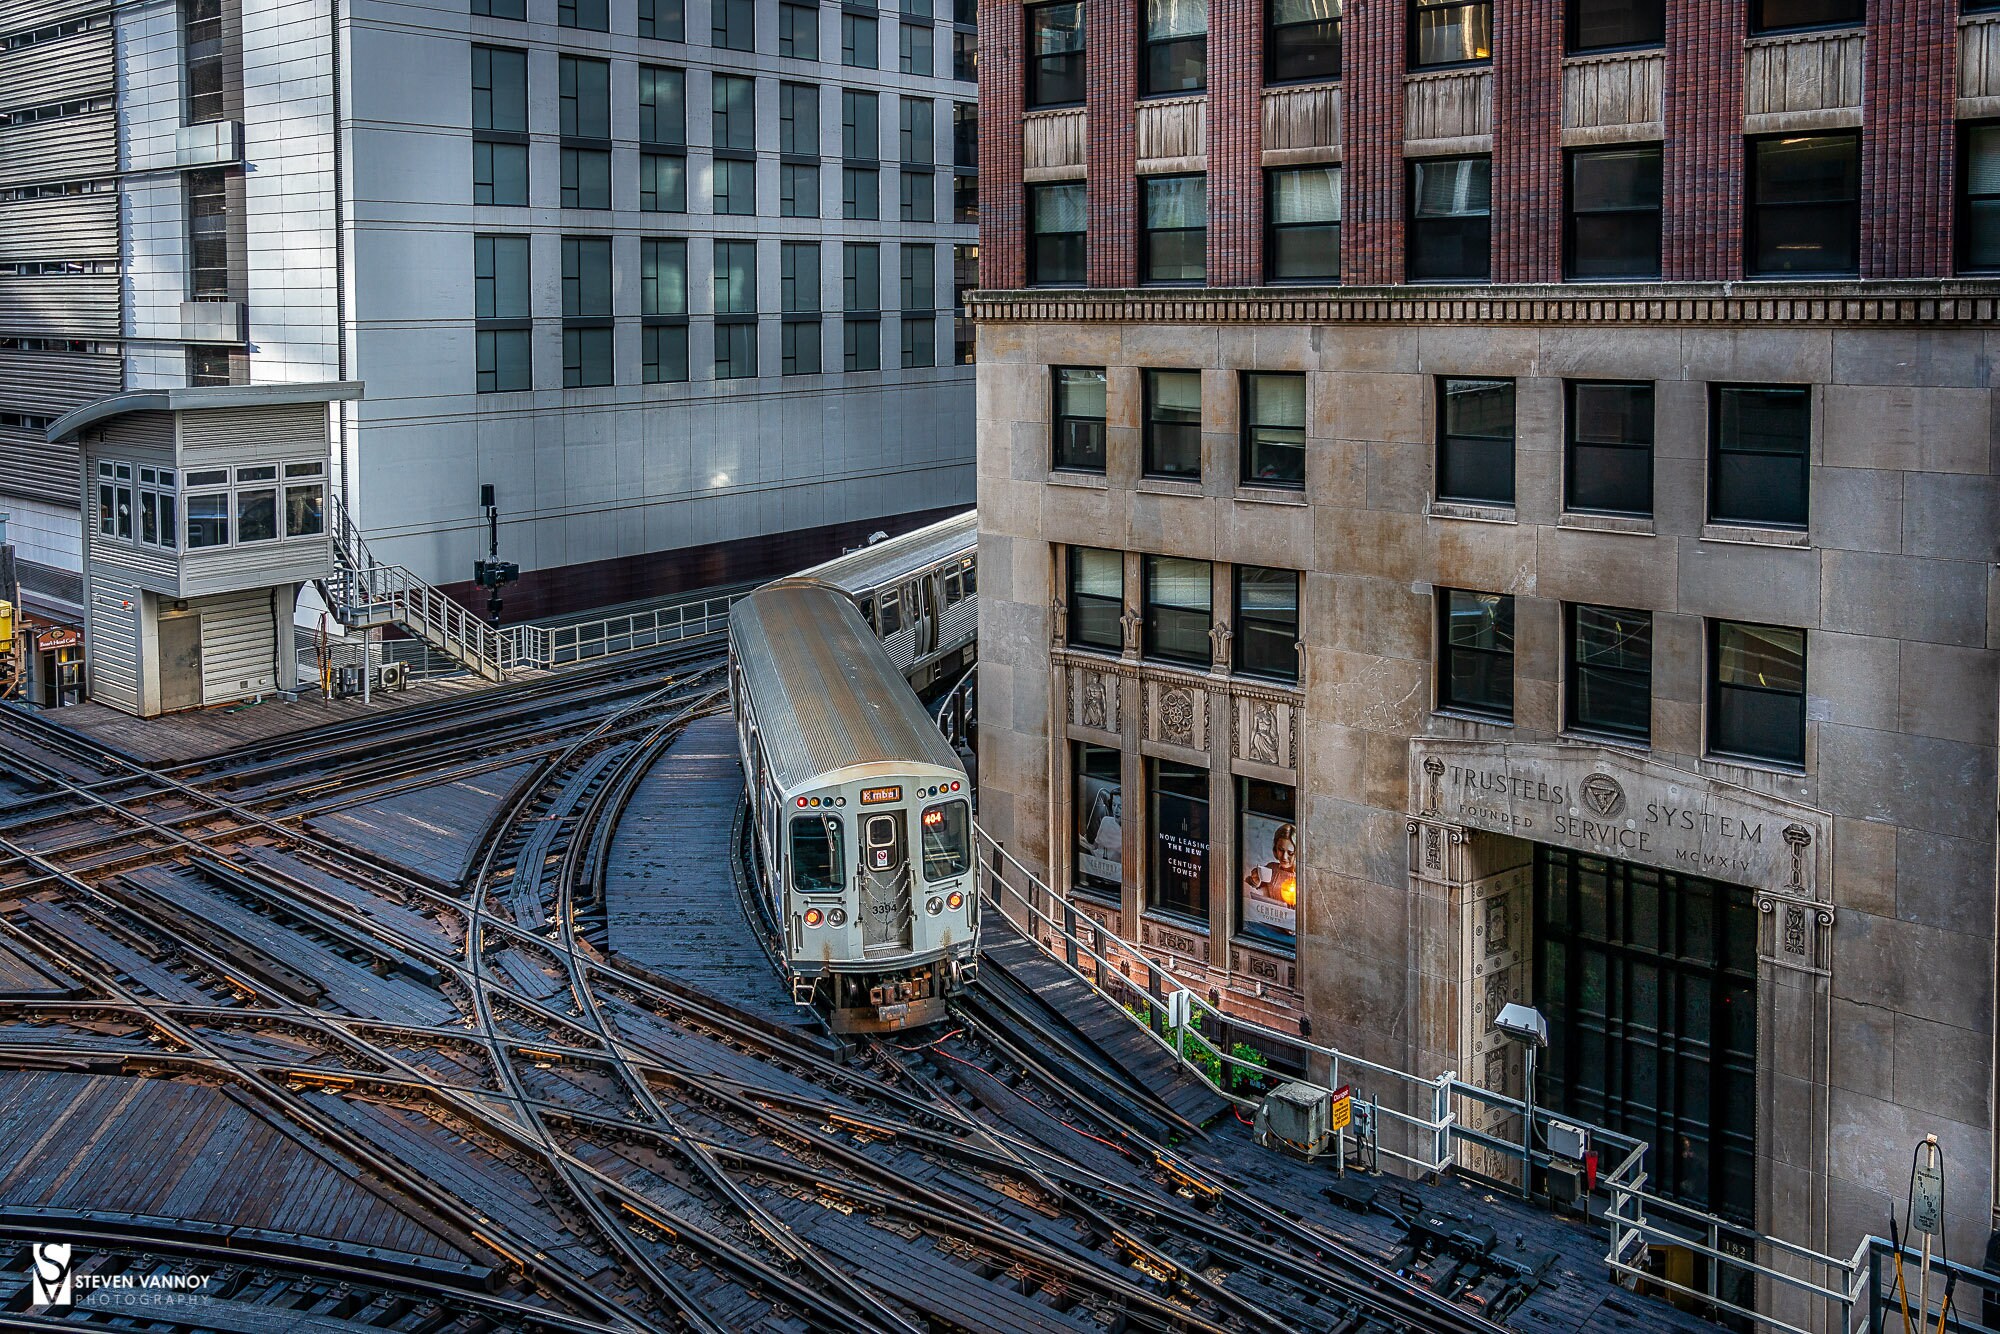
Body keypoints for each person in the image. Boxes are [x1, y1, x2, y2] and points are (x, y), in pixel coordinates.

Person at [1242, 822, 1297, 910]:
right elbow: (1258, 891)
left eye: (1290, 853)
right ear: (1275, 848)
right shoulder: (1271, 868)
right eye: (1281, 850)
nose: (1284, 857)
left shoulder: (1303, 877)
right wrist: (1255, 882)